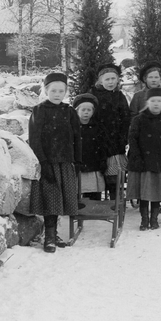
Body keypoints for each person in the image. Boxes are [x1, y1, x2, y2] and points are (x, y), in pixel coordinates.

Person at [28, 73, 81, 253]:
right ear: (46, 91)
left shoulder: (69, 112)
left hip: (65, 161)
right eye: (53, 91)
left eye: (61, 91)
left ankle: (54, 233)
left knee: (61, 199)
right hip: (48, 161)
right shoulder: (39, 110)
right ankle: (49, 237)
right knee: (50, 198)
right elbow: (34, 139)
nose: (57, 94)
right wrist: (43, 162)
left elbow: (77, 137)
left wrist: (77, 160)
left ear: (66, 92)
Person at [127, 87, 161, 231]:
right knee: (144, 193)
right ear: (147, 102)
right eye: (153, 101)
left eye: (159, 101)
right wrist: (137, 157)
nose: (156, 104)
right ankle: (144, 220)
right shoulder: (138, 119)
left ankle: (154, 219)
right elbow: (132, 140)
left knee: (156, 191)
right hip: (142, 161)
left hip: (160, 161)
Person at [92, 64, 130, 200]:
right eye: (107, 79)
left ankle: (116, 199)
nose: (110, 82)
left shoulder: (120, 96)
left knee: (115, 171)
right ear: (100, 81)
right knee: (99, 169)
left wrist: (123, 136)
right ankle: (95, 199)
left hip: (116, 139)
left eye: (113, 79)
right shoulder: (95, 96)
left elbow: (126, 117)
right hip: (100, 139)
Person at [73, 93, 110, 202]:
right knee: (77, 190)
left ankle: (94, 206)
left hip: (94, 164)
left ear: (93, 112)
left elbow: (103, 145)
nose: (86, 112)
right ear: (77, 111)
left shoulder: (98, 127)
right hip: (78, 165)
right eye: (83, 110)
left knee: (94, 192)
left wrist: (103, 161)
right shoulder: (72, 127)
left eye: (89, 110)